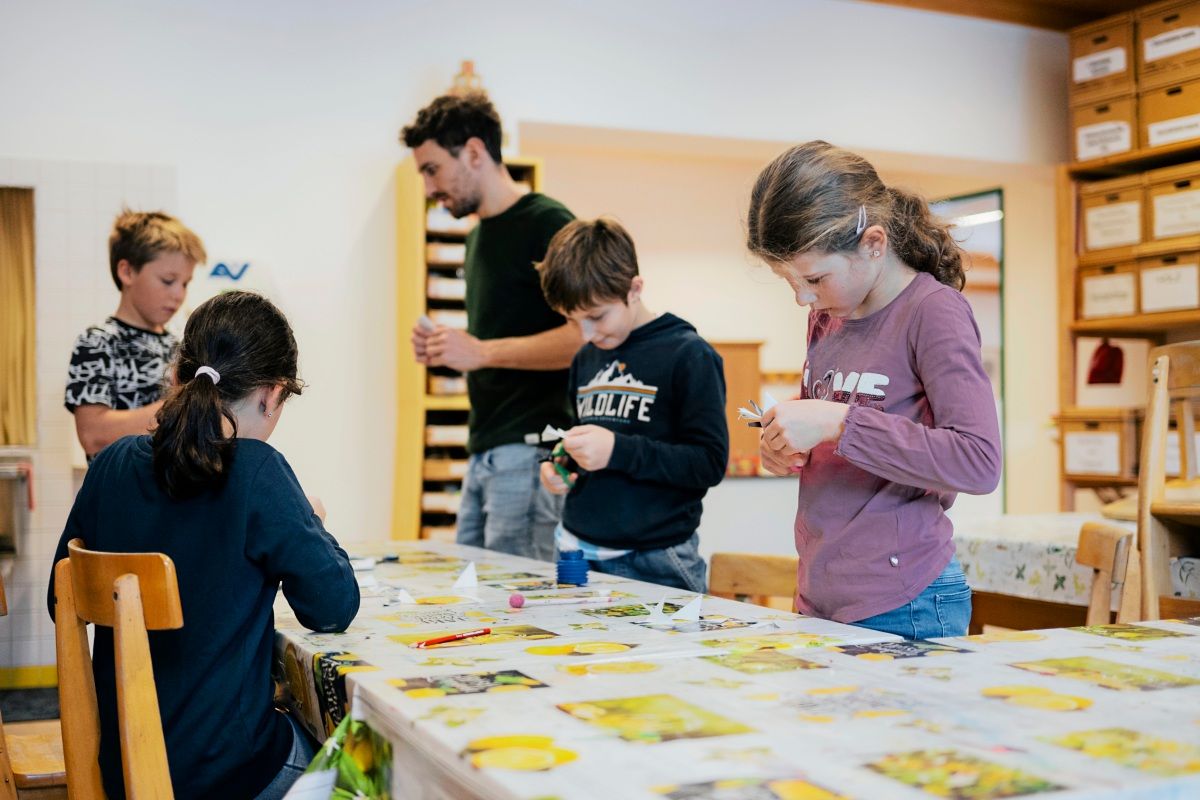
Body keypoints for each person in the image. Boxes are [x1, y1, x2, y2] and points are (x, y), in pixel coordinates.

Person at [48, 291, 359, 799]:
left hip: (121, 769)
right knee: (364, 762)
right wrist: (313, 521)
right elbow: (333, 609)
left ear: (179, 376)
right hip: (225, 775)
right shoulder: (258, 471)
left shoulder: (111, 465)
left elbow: (57, 600)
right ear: (272, 395)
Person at [745, 141, 1001, 639]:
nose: (802, 298)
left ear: (874, 244)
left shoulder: (933, 311)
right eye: (789, 281)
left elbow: (979, 461)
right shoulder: (827, 318)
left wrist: (836, 422)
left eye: (815, 278)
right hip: (821, 591)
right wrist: (788, 444)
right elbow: (844, 436)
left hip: (906, 599)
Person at [401, 93, 580, 561]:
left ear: (475, 152)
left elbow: (584, 336)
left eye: (432, 169)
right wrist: (447, 350)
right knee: (478, 601)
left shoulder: (549, 223)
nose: (427, 187)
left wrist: (481, 352)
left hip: (531, 448)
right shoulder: (477, 237)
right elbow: (497, 340)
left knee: (517, 610)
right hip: (485, 448)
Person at [537, 218, 727, 592]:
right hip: (576, 551)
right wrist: (557, 463)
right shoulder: (585, 358)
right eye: (574, 322)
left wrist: (617, 451)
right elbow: (574, 434)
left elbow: (708, 463)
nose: (587, 335)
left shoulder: (688, 354)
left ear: (634, 289)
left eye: (596, 317)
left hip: (656, 561)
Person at [65, 209, 206, 460]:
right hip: (121, 493)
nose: (178, 294)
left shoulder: (180, 345)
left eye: (185, 283)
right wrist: (185, 406)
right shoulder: (98, 342)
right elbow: (92, 434)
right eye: (168, 280)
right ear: (127, 272)